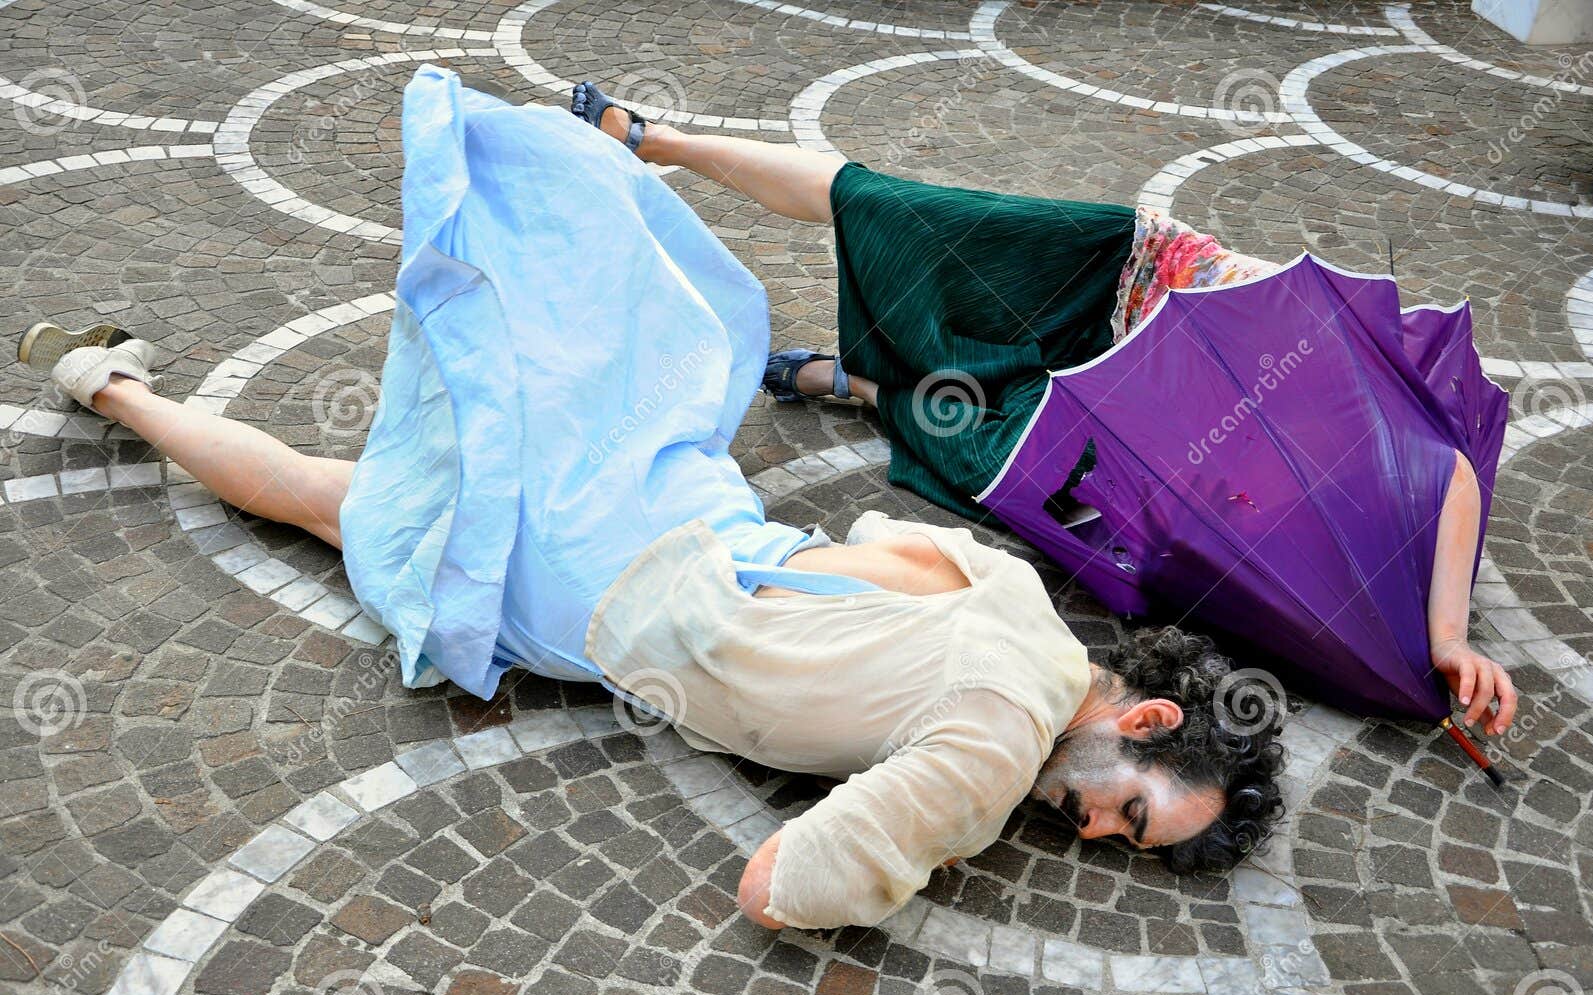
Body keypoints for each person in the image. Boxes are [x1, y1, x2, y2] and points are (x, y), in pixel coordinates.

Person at [18, 68, 1284, 932]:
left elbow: (882, 536)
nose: (1098, 835)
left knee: (478, 405)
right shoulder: (990, 757)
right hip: (603, 593)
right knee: (332, 505)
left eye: (1124, 842)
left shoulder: (1026, 612)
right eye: (1132, 811)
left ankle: (111, 375)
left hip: (683, 498)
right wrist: (936, 835)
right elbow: (775, 888)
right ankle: (112, 390)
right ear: (1151, 715)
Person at [567, 82, 1519, 740]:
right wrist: (1446, 632)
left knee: (959, 427)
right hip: (1125, 284)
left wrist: (1438, 648)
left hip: (1107, 423)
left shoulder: (1317, 580)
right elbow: (1451, 473)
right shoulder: (1372, 438)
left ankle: (842, 380)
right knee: (893, 210)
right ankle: (654, 139)